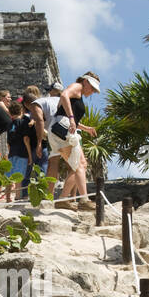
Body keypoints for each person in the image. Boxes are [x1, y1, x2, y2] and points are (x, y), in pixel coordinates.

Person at [49, 72, 101, 210]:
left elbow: (66, 115)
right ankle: (83, 200)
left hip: (60, 128)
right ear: (85, 81)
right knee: (80, 164)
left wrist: (85, 128)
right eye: (92, 87)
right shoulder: (77, 86)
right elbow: (64, 95)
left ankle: (63, 199)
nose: (92, 91)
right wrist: (72, 118)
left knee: (78, 165)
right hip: (64, 127)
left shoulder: (79, 94)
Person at [12, 85, 44, 199]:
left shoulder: (28, 107)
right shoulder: (41, 104)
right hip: (36, 140)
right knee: (38, 168)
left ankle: (24, 194)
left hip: (29, 141)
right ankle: (36, 193)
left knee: (28, 168)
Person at [35, 82, 62, 186]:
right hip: (65, 133)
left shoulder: (44, 101)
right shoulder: (65, 101)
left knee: (51, 162)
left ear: (53, 91)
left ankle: (49, 186)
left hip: (50, 135)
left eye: (50, 90)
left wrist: (39, 142)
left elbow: (40, 120)